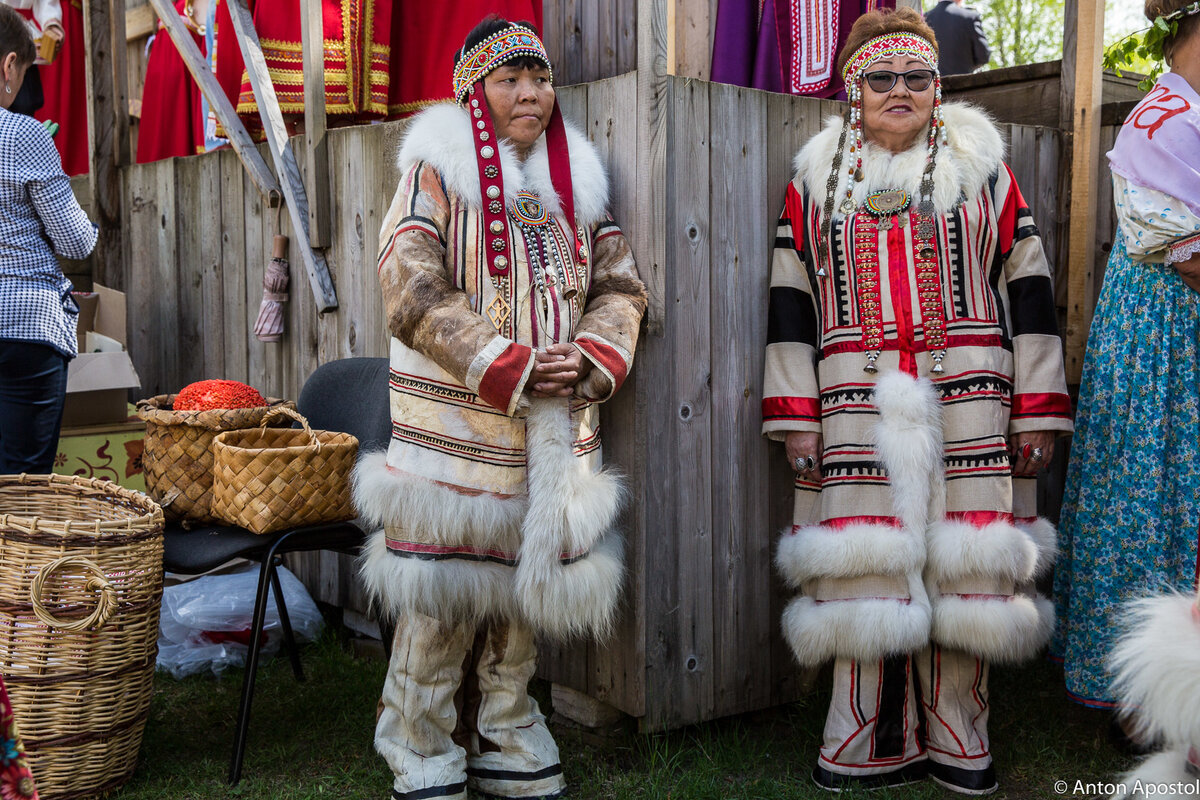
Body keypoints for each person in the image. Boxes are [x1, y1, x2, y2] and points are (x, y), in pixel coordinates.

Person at [762, 7, 1070, 794]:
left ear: (939, 87)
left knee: (964, 564)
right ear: (853, 90)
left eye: (917, 77)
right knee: (863, 563)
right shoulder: (815, 179)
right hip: (852, 396)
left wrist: (1037, 404)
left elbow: (1029, 285)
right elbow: (790, 300)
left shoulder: (986, 169)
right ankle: (862, 734)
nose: (900, 90)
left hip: (970, 393)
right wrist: (796, 417)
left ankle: (959, 731)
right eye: (882, 77)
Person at [353, 16, 646, 800]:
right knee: (443, 593)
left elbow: (620, 286)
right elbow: (410, 287)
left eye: (540, 78)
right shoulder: (432, 173)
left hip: (556, 426)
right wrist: (508, 365)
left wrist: (587, 359)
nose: (530, 94)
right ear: (473, 90)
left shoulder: (575, 185)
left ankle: (506, 724)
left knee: (526, 589)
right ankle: (415, 733)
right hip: (459, 422)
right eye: (510, 79)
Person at [1053, 0, 1200, 726]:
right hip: (1163, 339)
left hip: (1182, 331)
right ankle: (1141, 691)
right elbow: (1184, 248)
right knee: (1154, 490)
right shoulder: (1164, 119)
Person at [0, 3, 97, 475]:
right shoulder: (24, 134)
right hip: (23, 327)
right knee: (20, 486)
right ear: (9, 66)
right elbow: (75, 242)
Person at [924, 0, 990, 75]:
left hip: (935, 84)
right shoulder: (970, 16)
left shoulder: (924, 20)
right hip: (966, 83)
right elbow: (984, 56)